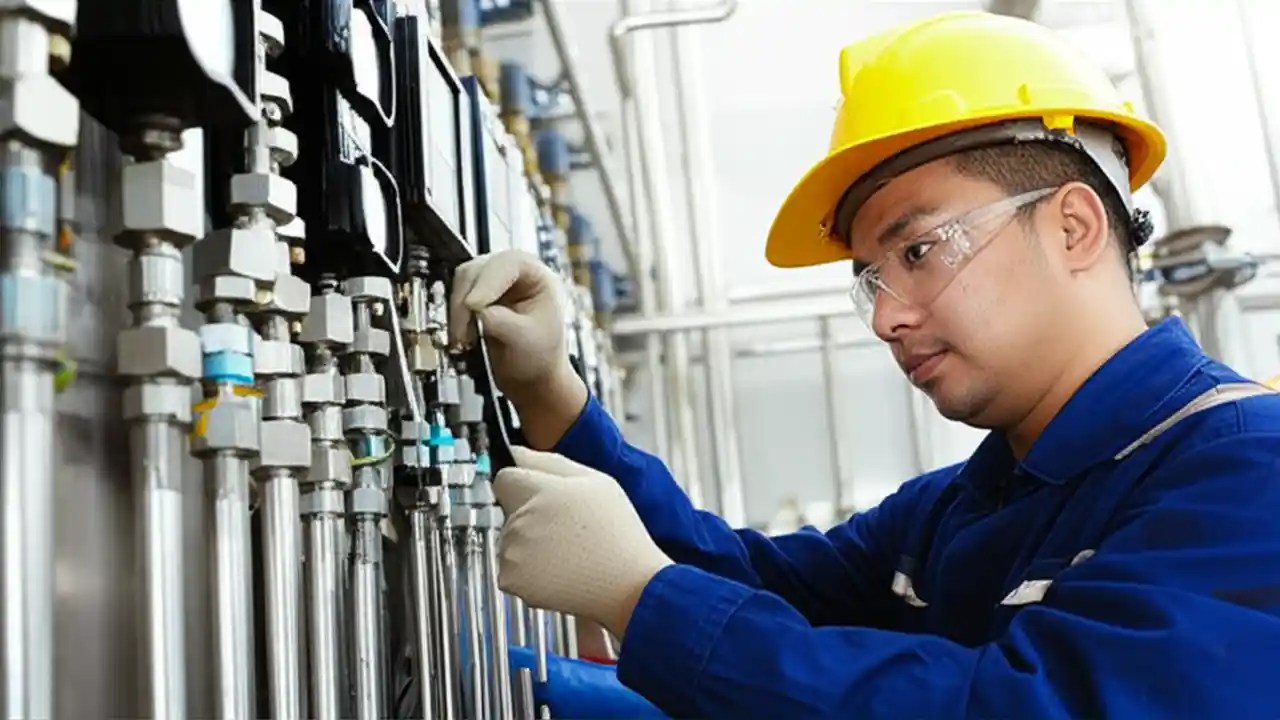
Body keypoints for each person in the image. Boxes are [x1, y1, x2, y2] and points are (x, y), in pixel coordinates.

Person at [450, 10, 1280, 719]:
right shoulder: (961, 509)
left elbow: (1025, 706)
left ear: (1073, 228)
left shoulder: (1245, 468)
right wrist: (553, 393)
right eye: (870, 281)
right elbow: (757, 584)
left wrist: (642, 601)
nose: (887, 317)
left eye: (919, 250)